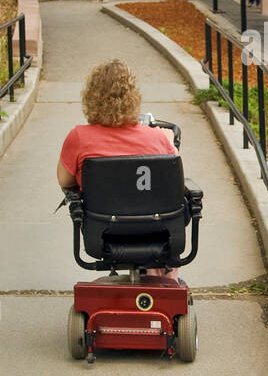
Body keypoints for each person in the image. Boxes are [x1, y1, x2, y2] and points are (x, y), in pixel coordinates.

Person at [58, 60, 178, 277]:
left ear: (91, 97)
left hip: (104, 232)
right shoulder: (158, 138)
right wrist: (169, 142)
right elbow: (174, 181)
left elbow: (64, 181)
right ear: (133, 97)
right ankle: (166, 278)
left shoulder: (78, 138)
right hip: (155, 230)